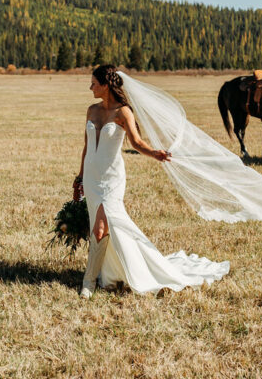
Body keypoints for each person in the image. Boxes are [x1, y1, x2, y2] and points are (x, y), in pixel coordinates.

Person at [75, 65, 230, 297]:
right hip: (91, 175)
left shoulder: (123, 112)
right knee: (101, 227)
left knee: (100, 228)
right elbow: (87, 146)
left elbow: (136, 142)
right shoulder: (91, 110)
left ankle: (88, 282)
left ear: (106, 86)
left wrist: (155, 153)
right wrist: (79, 177)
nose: (90, 87)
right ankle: (110, 271)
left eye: (94, 84)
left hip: (111, 178)